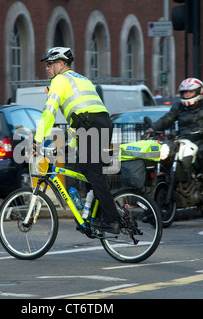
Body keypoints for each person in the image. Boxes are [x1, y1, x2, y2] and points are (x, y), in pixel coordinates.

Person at [33, 47, 121, 234]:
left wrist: (37, 140)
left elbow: (49, 112)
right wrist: (70, 146)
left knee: (92, 172)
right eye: (46, 65)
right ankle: (96, 218)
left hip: (92, 127)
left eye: (50, 64)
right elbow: (80, 116)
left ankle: (113, 220)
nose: (47, 68)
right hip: (102, 124)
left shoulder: (60, 80)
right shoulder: (82, 79)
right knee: (89, 172)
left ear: (61, 64)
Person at [146, 78, 203, 200]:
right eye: (184, 92)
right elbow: (167, 119)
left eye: (190, 92)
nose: (187, 94)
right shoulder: (179, 107)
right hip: (183, 139)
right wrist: (152, 129)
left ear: (199, 92)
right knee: (167, 155)